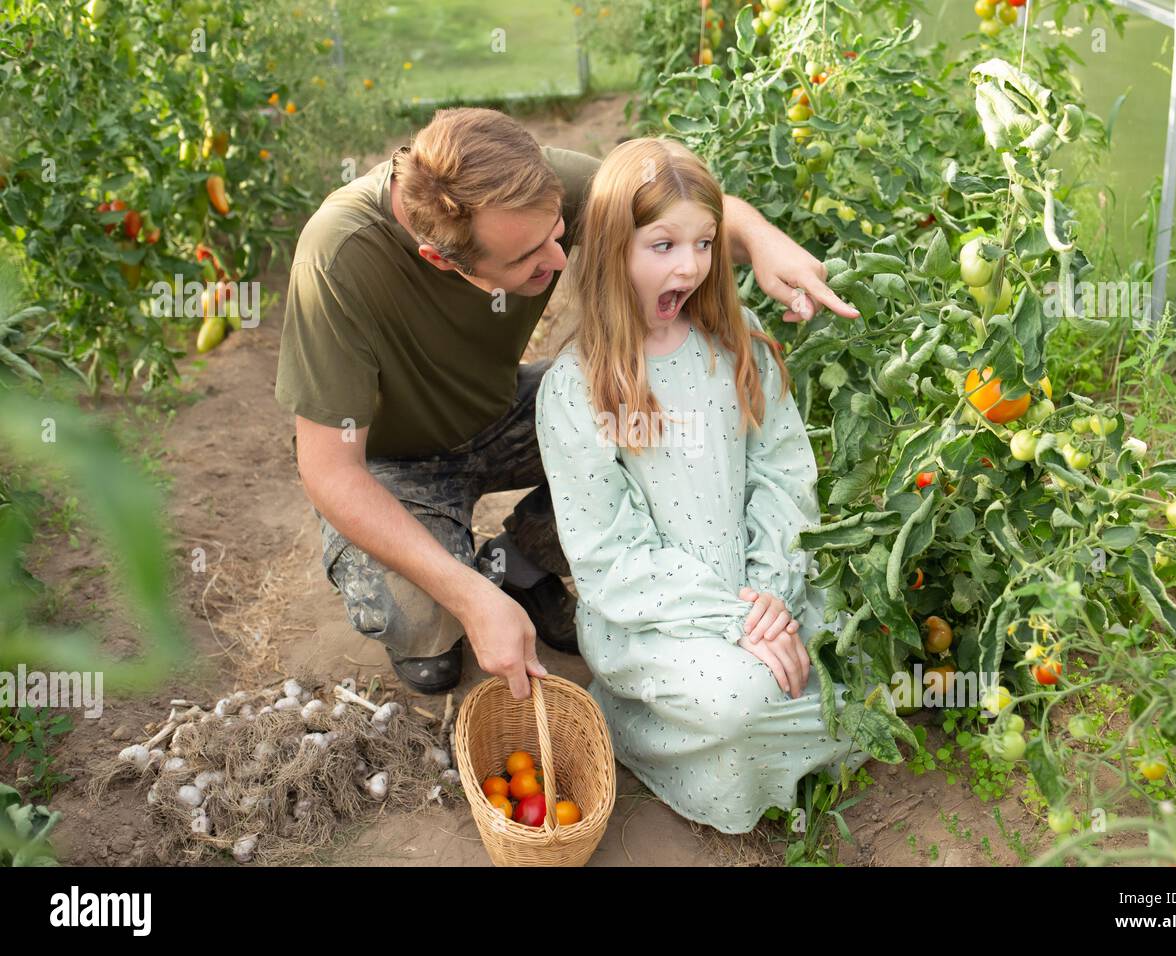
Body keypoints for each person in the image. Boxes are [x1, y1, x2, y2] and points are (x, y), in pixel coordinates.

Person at [275, 107, 859, 700]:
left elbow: (673, 200)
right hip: (393, 460)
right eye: (528, 259)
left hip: (503, 414)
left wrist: (762, 240)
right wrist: (471, 597)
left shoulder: (526, 184)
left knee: (660, 426)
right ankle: (474, 579)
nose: (559, 261)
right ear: (442, 261)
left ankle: (519, 561)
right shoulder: (338, 257)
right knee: (426, 632)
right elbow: (329, 469)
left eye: (558, 233)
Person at [534, 137, 869, 834]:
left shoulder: (737, 340)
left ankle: (766, 729)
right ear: (610, 248)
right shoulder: (577, 387)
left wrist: (771, 590)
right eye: (663, 245)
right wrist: (732, 619)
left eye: (706, 243)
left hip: (763, 592)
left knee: (852, 652)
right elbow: (610, 558)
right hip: (658, 619)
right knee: (741, 698)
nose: (689, 265)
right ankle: (634, 726)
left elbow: (783, 474)